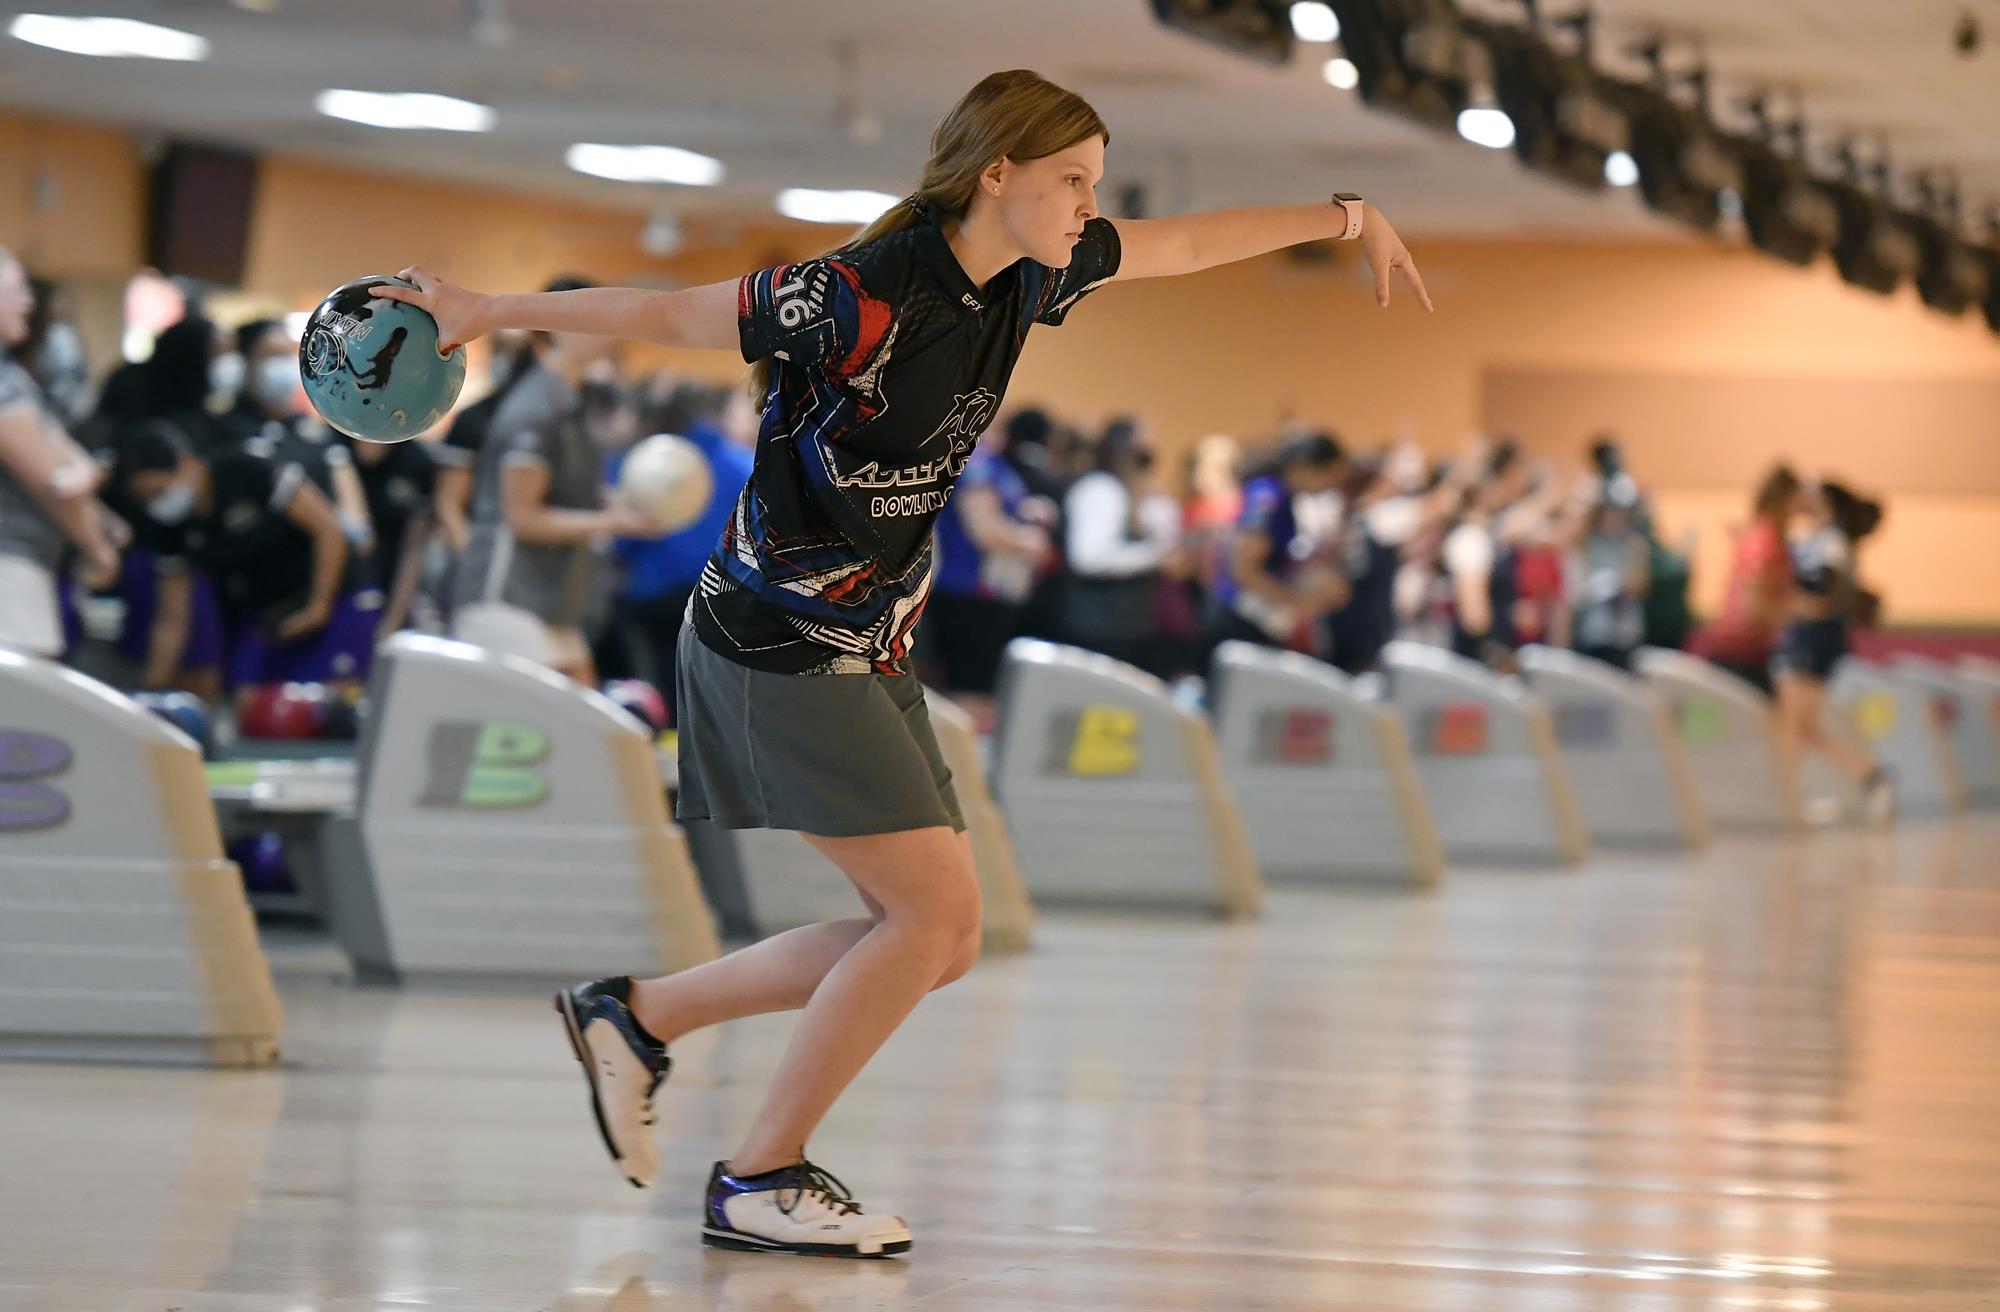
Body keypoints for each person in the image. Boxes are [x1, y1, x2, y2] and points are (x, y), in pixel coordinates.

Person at [372, 67, 1430, 1258]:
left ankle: (638, 1015)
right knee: (929, 921)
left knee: (941, 934)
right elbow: (674, 313)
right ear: (998, 174)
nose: (1089, 202)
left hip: (865, 635)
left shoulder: (1034, 272)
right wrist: (494, 308)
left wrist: (1346, 216)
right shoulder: (859, 291)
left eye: (1092, 181)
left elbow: (1181, 243)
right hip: (772, 631)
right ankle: (756, 1172)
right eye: (1070, 178)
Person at [447, 279, 661, 683]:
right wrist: (613, 523)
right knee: (543, 734)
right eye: (589, 315)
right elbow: (522, 518)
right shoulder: (534, 408)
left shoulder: (574, 403)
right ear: (555, 327)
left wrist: (619, 506)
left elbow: (573, 499)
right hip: (505, 594)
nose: (605, 326)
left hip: (552, 599)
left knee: (583, 726)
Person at [110, 422, 374, 699]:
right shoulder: (167, 527)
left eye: (159, 492)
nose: (156, 504)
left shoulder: (247, 470)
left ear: (187, 466)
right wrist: (149, 693)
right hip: (269, 614)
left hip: (331, 595)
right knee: (251, 707)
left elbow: (329, 531)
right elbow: (172, 619)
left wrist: (318, 607)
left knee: (321, 707)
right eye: (146, 499)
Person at [0, 247, 121, 657]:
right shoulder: (4, 385)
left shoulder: (13, 377)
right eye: (16, 291)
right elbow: (53, 485)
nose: (29, 303)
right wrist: (98, 548)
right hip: (10, 571)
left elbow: (67, 465)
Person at [1770, 477, 1893, 822]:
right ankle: (1871, 776)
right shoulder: (1816, 541)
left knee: (1792, 723)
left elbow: (1820, 599)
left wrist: (1783, 604)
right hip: (1813, 639)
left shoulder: (1829, 545)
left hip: (1813, 640)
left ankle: (1786, 799)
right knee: (1805, 727)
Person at [1205, 430, 1350, 660]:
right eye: (1330, 476)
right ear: (1308, 467)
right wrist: (1296, 601)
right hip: (1240, 619)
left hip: (1250, 616)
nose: (1330, 486)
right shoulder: (1269, 496)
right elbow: (1244, 569)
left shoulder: (1285, 497)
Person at [1057, 417, 1185, 675]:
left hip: (1123, 628)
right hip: (1096, 628)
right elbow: (1089, 558)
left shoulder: (1131, 495)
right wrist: (1155, 557)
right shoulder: (1101, 489)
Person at [1688, 465, 1798, 692]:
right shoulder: (1764, 540)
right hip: (1739, 654)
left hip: (1742, 652)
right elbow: (1752, 601)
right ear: (1784, 501)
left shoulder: (1759, 535)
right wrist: (1794, 615)